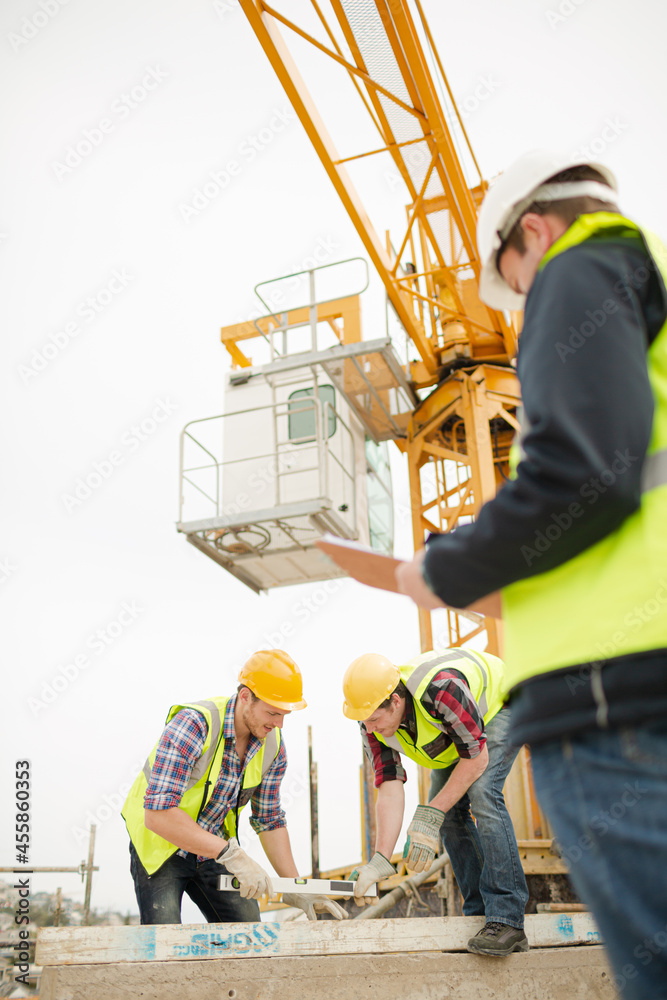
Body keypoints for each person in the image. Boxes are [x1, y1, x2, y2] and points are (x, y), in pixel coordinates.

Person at [395, 150, 667, 999]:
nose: (519, 306)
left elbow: (583, 472)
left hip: (609, 690)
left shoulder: (579, 270)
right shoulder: (642, 286)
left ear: (535, 231)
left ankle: (501, 914)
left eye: (515, 284)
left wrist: (443, 564)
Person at [122, 649, 346, 924]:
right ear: (245, 697)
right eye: (273, 713)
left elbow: (269, 819)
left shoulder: (272, 746)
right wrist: (231, 854)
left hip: (214, 849)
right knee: (165, 941)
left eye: (284, 715)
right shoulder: (194, 725)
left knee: (249, 935)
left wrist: (295, 888)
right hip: (161, 844)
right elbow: (158, 814)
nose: (279, 724)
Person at [342, 648, 529, 956]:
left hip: (502, 705)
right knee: (448, 816)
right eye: (365, 721)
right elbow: (389, 785)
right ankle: (481, 917)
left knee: (482, 793)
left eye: (375, 719)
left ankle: (507, 919)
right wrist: (381, 860)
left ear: (396, 701)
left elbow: (477, 758)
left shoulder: (441, 689)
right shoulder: (370, 721)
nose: (370, 729)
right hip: (459, 736)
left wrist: (430, 813)